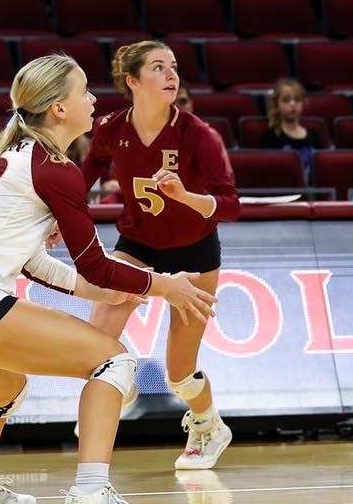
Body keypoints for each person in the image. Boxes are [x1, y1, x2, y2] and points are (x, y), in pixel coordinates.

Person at [0, 53, 214, 504]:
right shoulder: (55, 167)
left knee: (6, 390)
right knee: (112, 361)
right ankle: (90, 492)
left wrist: (106, 290)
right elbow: (96, 264)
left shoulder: (7, 159)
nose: (93, 100)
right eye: (84, 91)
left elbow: (33, 264)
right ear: (58, 109)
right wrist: (164, 284)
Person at [82, 42, 240, 471]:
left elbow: (230, 204)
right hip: (138, 245)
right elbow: (84, 175)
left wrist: (185, 196)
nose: (171, 75)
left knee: (179, 373)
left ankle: (208, 424)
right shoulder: (112, 128)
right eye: (158, 68)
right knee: (95, 345)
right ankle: (117, 384)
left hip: (195, 252)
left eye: (173, 67)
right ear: (133, 81)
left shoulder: (197, 134)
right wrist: (63, 216)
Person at [257, 78, 322, 170]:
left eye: (297, 99)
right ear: (276, 105)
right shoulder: (271, 135)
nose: (292, 104)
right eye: (286, 100)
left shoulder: (313, 134)